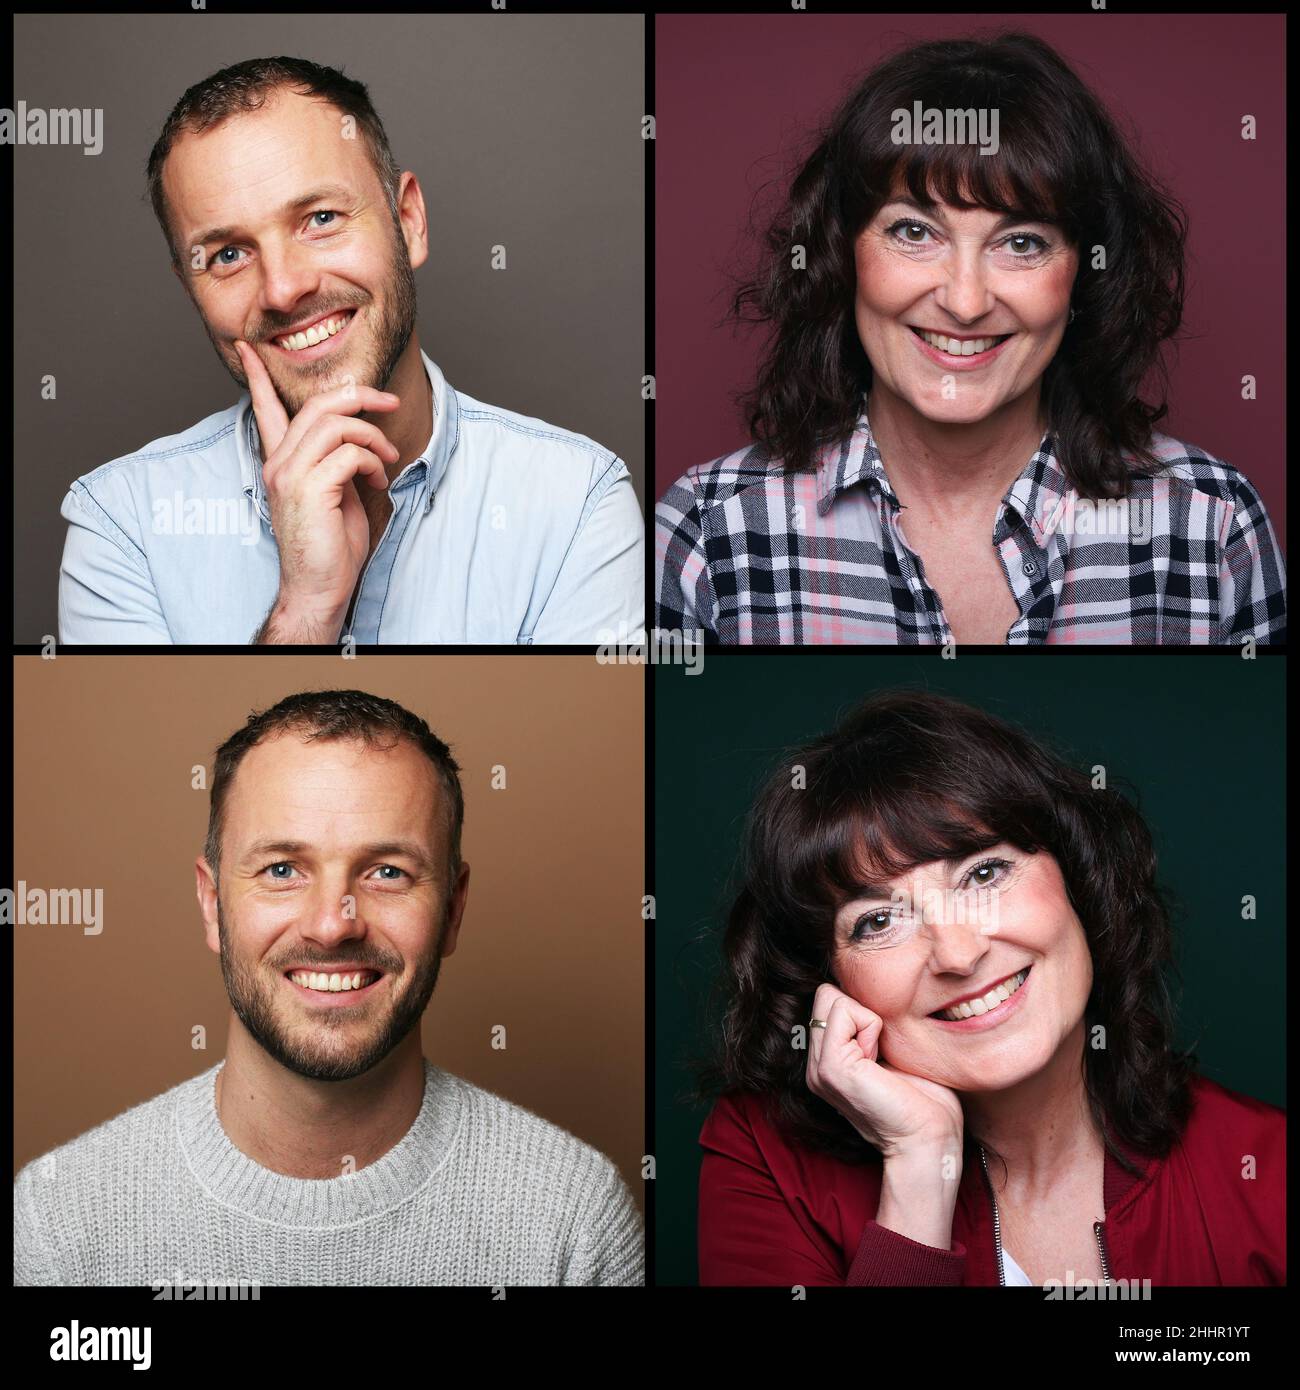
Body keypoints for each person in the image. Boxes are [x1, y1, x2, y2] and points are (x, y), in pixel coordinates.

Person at [656, 32, 1286, 644]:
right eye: (913, 232)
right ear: (841, 256)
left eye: (1021, 243)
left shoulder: (1213, 525)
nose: (964, 302)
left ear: (1083, 275)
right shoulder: (709, 533)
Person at [15, 690, 643, 1286]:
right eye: (282, 869)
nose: (331, 924)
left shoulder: (574, 1222)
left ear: (452, 909)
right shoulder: (55, 1225)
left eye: (388, 871)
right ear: (212, 904)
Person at [696, 689, 1284, 1285]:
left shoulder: (1269, 1168)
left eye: (984, 873)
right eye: (877, 921)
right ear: (829, 983)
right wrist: (918, 1168)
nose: (958, 952)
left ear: (1076, 881)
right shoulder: (762, 1158)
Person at [58, 57, 643, 644]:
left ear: (408, 220)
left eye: (320, 218)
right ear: (191, 288)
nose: (284, 289)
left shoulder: (577, 504)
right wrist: (305, 609)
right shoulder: (120, 524)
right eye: (228, 255)